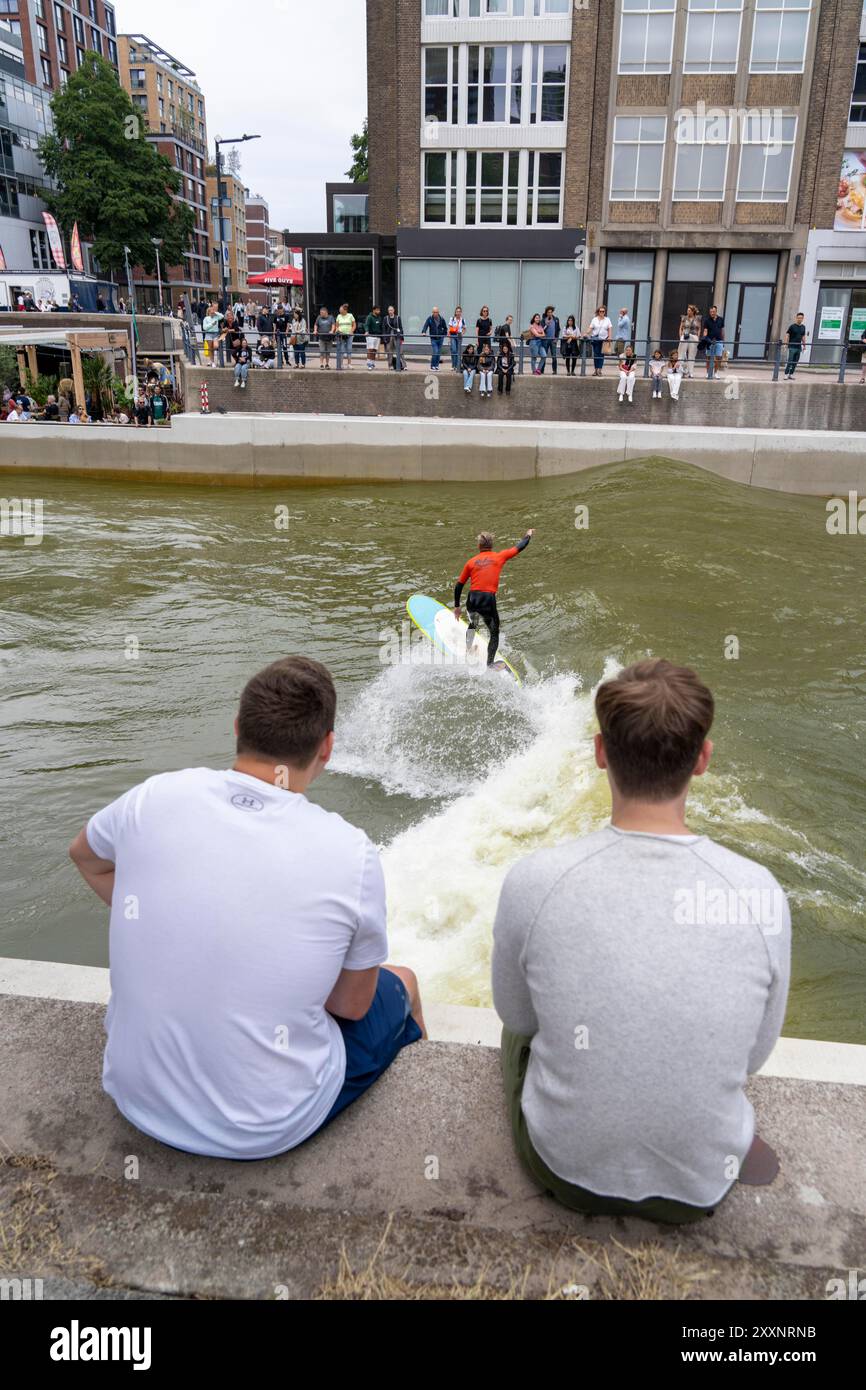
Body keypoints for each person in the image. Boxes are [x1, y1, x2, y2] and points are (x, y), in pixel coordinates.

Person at [68, 656, 425, 1160]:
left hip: (133, 1095)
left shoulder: (154, 797)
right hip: (263, 1129)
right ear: (326, 747)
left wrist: (168, 918)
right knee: (401, 982)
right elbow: (350, 1007)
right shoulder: (352, 853)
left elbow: (84, 856)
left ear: (237, 727)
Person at [493, 658, 790, 1224]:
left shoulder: (534, 879)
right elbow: (755, 1053)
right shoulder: (759, 891)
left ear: (601, 751)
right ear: (702, 760)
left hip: (565, 1174)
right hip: (701, 1190)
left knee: (516, 1032)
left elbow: (519, 1017)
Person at [453, 528, 534, 669]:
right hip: (487, 599)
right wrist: (528, 535)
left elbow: (459, 585)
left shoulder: (471, 562)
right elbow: (520, 546)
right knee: (494, 632)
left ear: (479, 546)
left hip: (472, 599)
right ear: (491, 545)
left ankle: (468, 649)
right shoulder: (499, 556)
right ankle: (490, 664)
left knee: (473, 624)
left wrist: (457, 607)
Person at [586, 305, 612, 375]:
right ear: (598, 312)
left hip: (604, 340)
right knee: (596, 355)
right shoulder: (594, 319)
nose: (601, 312)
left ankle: (599, 370)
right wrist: (586, 333)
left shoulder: (607, 319)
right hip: (595, 339)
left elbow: (609, 329)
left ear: (605, 312)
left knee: (601, 355)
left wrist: (609, 336)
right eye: (600, 311)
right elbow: (590, 328)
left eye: (603, 311)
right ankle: (596, 369)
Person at [679, 304, 702, 378]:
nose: (687, 311)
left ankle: (690, 372)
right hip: (685, 336)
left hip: (693, 336)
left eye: (689, 310)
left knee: (692, 355)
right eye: (687, 310)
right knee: (681, 354)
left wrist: (697, 337)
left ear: (693, 311)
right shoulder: (684, 318)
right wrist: (681, 336)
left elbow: (699, 328)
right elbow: (681, 327)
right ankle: (681, 371)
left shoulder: (697, 318)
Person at [701, 306, 725, 376]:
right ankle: (708, 373)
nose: (712, 313)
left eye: (713, 312)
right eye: (711, 312)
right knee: (708, 357)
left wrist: (723, 342)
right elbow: (705, 331)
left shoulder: (721, 319)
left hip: (719, 340)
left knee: (718, 357)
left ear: (716, 311)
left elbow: (722, 331)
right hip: (709, 341)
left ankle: (716, 373)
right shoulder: (707, 320)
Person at [783, 313, 807, 380]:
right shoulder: (792, 326)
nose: (800, 319)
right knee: (790, 360)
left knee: (795, 361)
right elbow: (787, 335)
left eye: (801, 318)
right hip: (792, 346)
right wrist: (785, 344)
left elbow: (803, 336)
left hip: (798, 347)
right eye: (798, 318)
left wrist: (804, 345)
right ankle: (786, 374)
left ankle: (791, 374)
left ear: (803, 319)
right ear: (796, 318)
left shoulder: (803, 327)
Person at [539, 306, 560, 375]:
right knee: (544, 355)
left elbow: (558, 329)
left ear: (552, 312)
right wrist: (546, 325)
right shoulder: (543, 320)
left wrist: (556, 338)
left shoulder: (556, 319)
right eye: (548, 312)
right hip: (545, 340)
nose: (549, 313)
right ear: (546, 312)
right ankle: (542, 370)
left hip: (553, 340)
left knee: (554, 356)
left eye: (551, 312)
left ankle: (554, 370)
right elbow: (541, 330)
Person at [382, 305, 404, 371]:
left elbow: (401, 328)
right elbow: (383, 328)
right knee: (389, 351)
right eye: (389, 310)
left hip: (396, 336)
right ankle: (390, 365)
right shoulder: (386, 318)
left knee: (400, 351)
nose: (390, 311)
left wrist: (402, 338)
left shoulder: (398, 318)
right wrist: (384, 337)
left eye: (391, 310)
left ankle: (403, 365)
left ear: (394, 310)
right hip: (389, 336)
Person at [364, 305, 382, 371]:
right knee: (370, 350)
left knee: (374, 350)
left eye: (379, 310)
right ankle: (369, 364)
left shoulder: (379, 318)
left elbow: (380, 326)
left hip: (377, 336)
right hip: (370, 336)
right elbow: (366, 325)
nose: (379, 311)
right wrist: (366, 331)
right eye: (377, 310)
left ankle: (373, 363)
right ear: (374, 310)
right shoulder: (369, 317)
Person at [273, 303, 291, 367]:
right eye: (278, 309)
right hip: (277, 334)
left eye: (280, 309)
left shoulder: (286, 316)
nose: (279, 310)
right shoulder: (275, 316)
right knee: (279, 348)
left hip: (283, 334)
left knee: (284, 347)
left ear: (282, 309)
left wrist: (286, 332)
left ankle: (287, 360)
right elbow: (274, 325)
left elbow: (288, 324)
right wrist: (273, 334)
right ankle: (281, 361)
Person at [448, 306, 465, 372]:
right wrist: (449, 338)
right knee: (454, 350)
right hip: (453, 336)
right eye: (457, 311)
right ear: (455, 312)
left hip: (459, 336)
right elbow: (449, 329)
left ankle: (457, 366)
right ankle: (453, 365)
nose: (458, 313)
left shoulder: (462, 320)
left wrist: (462, 334)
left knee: (458, 351)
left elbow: (464, 328)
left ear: (461, 313)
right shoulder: (452, 319)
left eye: (459, 311)